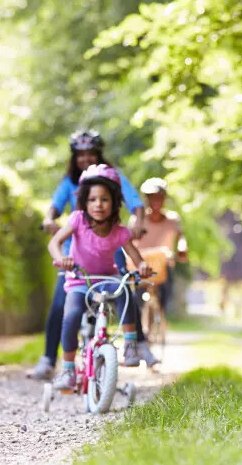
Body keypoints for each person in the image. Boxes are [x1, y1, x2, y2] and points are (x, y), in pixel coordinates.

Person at [28, 129, 157, 380]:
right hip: (74, 259)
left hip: (109, 250)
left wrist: (139, 224)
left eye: (90, 154)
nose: (85, 159)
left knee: (125, 287)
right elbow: (54, 208)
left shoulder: (114, 179)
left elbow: (136, 205)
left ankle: (136, 343)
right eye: (80, 155)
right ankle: (50, 360)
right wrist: (48, 220)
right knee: (62, 307)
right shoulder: (71, 188)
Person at [48, 164, 153, 390]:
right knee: (71, 316)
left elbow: (137, 257)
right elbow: (54, 242)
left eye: (105, 199)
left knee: (126, 291)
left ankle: (131, 344)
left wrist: (143, 266)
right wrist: (61, 258)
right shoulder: (77, 220)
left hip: (107, 279)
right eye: (93, 199)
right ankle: (67, 369)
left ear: (114, 202)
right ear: (85, 202)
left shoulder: (120, 231)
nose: (98, 204)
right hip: (80, 280)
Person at [129, 177, 188, 313]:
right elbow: (128, 242)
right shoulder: (137, 220)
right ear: (146, 199)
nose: (155, 201)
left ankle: (160, 318)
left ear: (164, 198)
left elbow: (181, 237)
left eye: (159, 197)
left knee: (164, 299)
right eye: (151, 197)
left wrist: (182, 248)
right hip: (141, 265)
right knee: (136, 303)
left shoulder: (173, 219)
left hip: (163, 264)